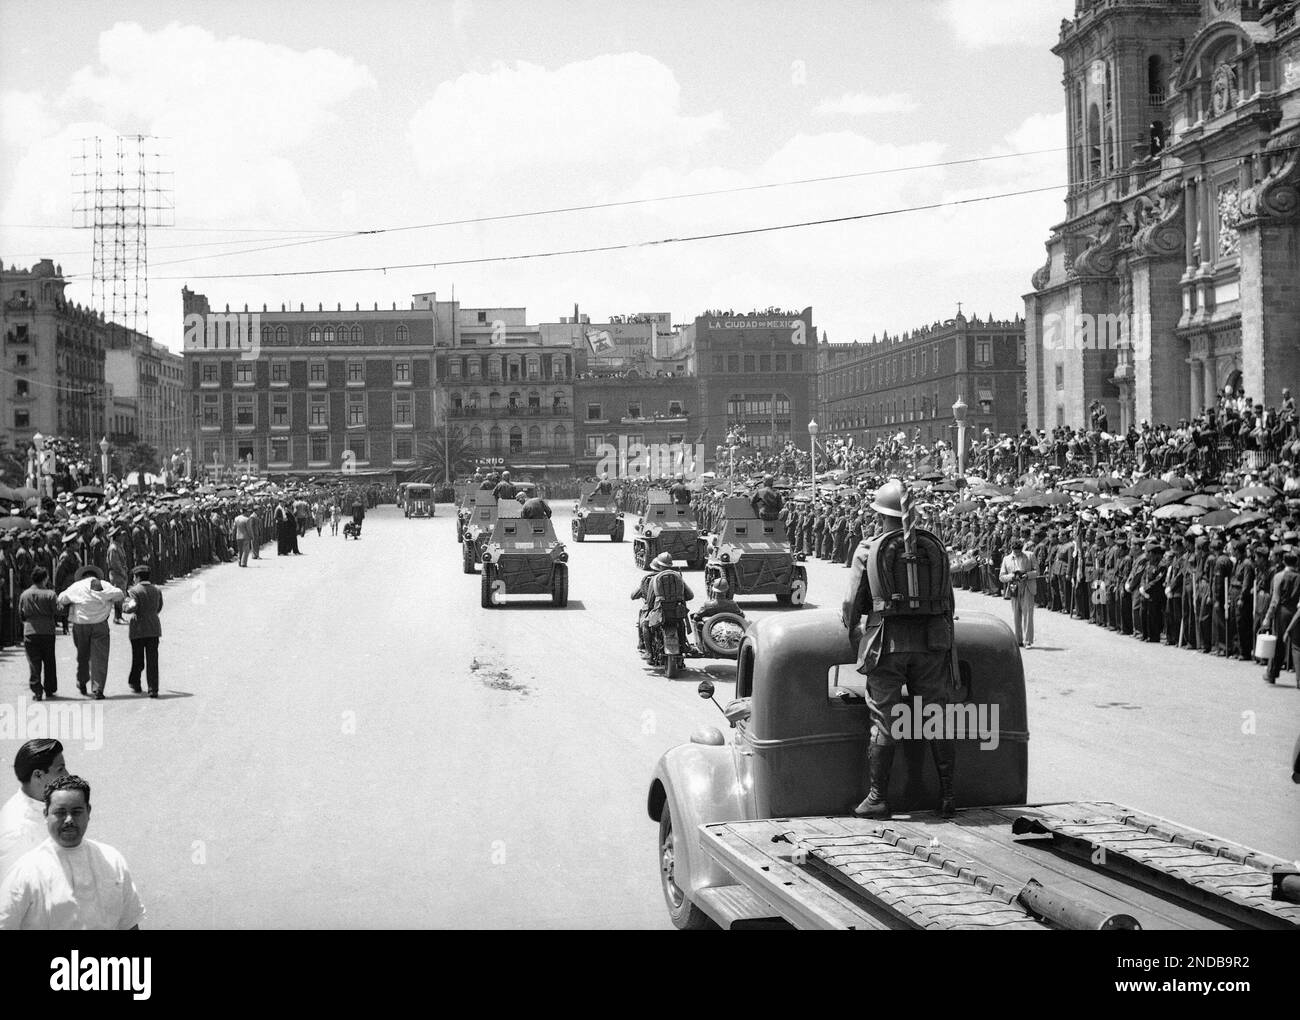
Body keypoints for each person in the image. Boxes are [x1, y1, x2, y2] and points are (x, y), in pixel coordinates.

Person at [843, 478, 956, 819]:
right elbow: (947, 602)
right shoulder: (933, 546)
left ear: (880, 515)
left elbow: (853, 605)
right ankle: (949, 795)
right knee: (937, 715)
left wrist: (854, 638)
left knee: (886, 719)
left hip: (886, 646)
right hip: (932, 643)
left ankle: (878, 798)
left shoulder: (868, 548)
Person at [0, 775, 145, 930]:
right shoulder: (26, 871)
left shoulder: (112, 860)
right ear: (46, 814)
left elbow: (129, 923)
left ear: (88, 812)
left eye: (76, 812)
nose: (69, 819)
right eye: (60, 812)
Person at [0, 740, 67, 882]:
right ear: (38, 775)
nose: (67, 775)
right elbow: (14, 892)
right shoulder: (17, 827)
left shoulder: (47, 806)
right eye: (60, 769)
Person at [56, 565, 123, 700]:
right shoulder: (103, 584)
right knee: (99, 657)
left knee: (83, 656)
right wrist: (104, 597)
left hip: (80, 625)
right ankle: (98, 688)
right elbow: (119, 594)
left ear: (82, 576)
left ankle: (82, 681)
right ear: (96, 575)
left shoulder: (76, 586)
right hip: (100, 624)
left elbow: (62, 598)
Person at [18, 567, 58, 701]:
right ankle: (50, 688)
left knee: (34, 663)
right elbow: (55, 611)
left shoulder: (24, 595)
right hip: (47, 631)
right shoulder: (50, 594)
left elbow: (21, 614)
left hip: (30, 631)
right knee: (49, 661)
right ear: (45, 579)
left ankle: (37, 691)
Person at [124, 565, 163, 698]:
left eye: (134, 577)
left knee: (138, 658)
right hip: (153, 627)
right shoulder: (157, 590)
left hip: (138, 629)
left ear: (138, 577)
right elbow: (159, 607)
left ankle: (135, 682)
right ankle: (153, 688)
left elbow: (129, 608)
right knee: (153, 659)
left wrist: (125, 607)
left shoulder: (133, 591)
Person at [1263, 549, 1300, 684]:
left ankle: (1272, 673)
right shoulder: (1298, 577)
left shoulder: (1279, 576)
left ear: (1284, 561)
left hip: (1282, 612)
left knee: (1278, 643)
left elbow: (1275, 599)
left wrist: (1268, 616)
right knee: (1296, 646)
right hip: (1296, 611)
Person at [998, 536, 1038, 648]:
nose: (1017, 553)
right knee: (1016, 614)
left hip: (1027, 587)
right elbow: (1001, 577)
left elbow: (1037, 571)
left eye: (1019, 551)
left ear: (1022, 549)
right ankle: (1018, 639)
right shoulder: (1006, 559)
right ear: (1012, 549)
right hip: (1014, 588)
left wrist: (1027, 575)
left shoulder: (1030, 556)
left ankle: (1027, 640)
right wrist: (1012, 576)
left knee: (1028, 614)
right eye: (1015, 552)